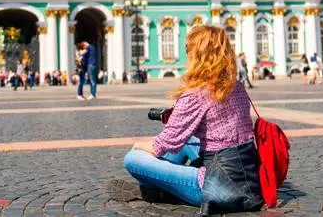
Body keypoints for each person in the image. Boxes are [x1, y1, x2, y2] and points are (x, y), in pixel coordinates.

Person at [109, 25, 263, 215]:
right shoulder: (237, 86)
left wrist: (139, 145)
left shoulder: (195, 94)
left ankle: (160, 190)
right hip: (247, 177)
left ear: (197, 56)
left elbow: (164, 143)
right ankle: (167, 183)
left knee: (133, 159)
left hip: (215, 186)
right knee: (186, 141)